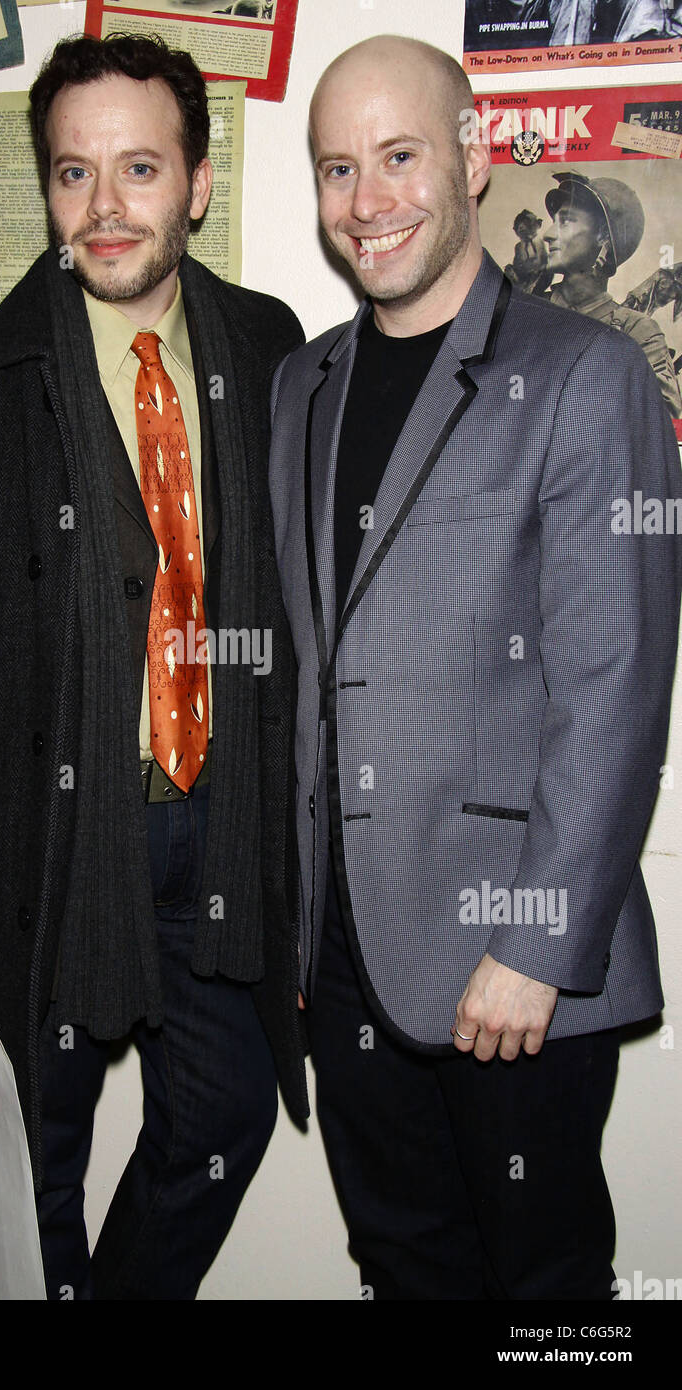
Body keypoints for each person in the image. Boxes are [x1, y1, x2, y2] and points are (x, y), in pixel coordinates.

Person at [0, 32, 306, 1301]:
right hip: (36, 836)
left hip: (222, 833)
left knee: (220, 1125)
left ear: (197, 184)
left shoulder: (272, 350)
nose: (104, 209)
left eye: (138, 169)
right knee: (25, 1160)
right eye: (73, 174)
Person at [269, 34, 682, 1299]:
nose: (368, 201)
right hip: (342, 947)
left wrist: (537, 943)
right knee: (402, 1267)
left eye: (399, 156)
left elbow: (615, 681)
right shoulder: (303, 384)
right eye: (339, 168)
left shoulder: (585, 375)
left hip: (513, 953)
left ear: (473, 154)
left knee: (544, 1282)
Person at [538, 170, 681, 418]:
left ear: (603, 236)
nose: (549, 235)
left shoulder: (639, 332)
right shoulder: (523, 314)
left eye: (566, 221)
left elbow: (667, 423)